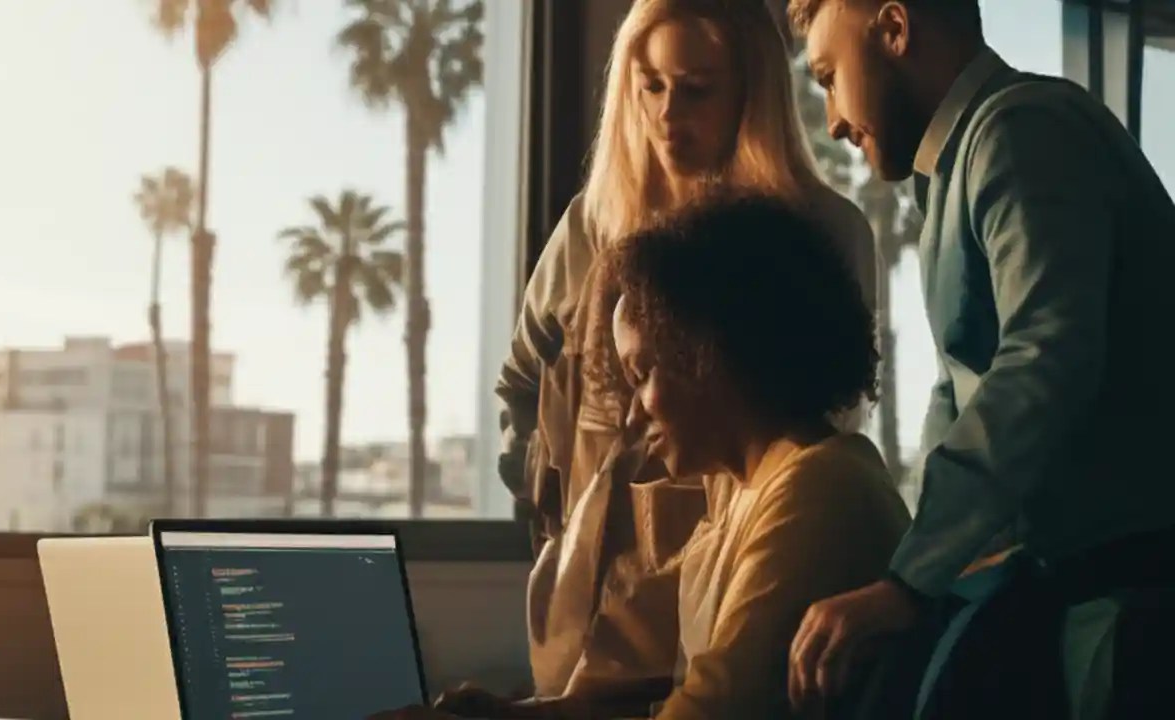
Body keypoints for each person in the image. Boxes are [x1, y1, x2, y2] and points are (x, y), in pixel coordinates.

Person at [374, 195, 909, 720]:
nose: (634, 414)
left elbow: (712, 706)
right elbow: (643, 686)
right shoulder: (744, 491)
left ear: (709, 354)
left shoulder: (820, 491)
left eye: (641, 374)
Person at [786, 0, 1175, 716]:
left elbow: (1043, 360)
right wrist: (913, 570)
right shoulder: (960, 169)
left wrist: (910, 581)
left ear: (895, 30)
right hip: (1079, 586)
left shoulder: (1021, 130)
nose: (834, 118)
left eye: (828, 76)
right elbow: (961, 398)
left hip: (1132, 597)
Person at [494, 0, 876, 705]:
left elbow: (816, 426)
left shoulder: (816, 233)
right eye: (652, 86)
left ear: (750, 94)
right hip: (596, 594)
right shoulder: (594, 223)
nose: (669, 112)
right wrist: (551, 505)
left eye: (697, 89)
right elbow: (523, 376)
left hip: (745, 560)